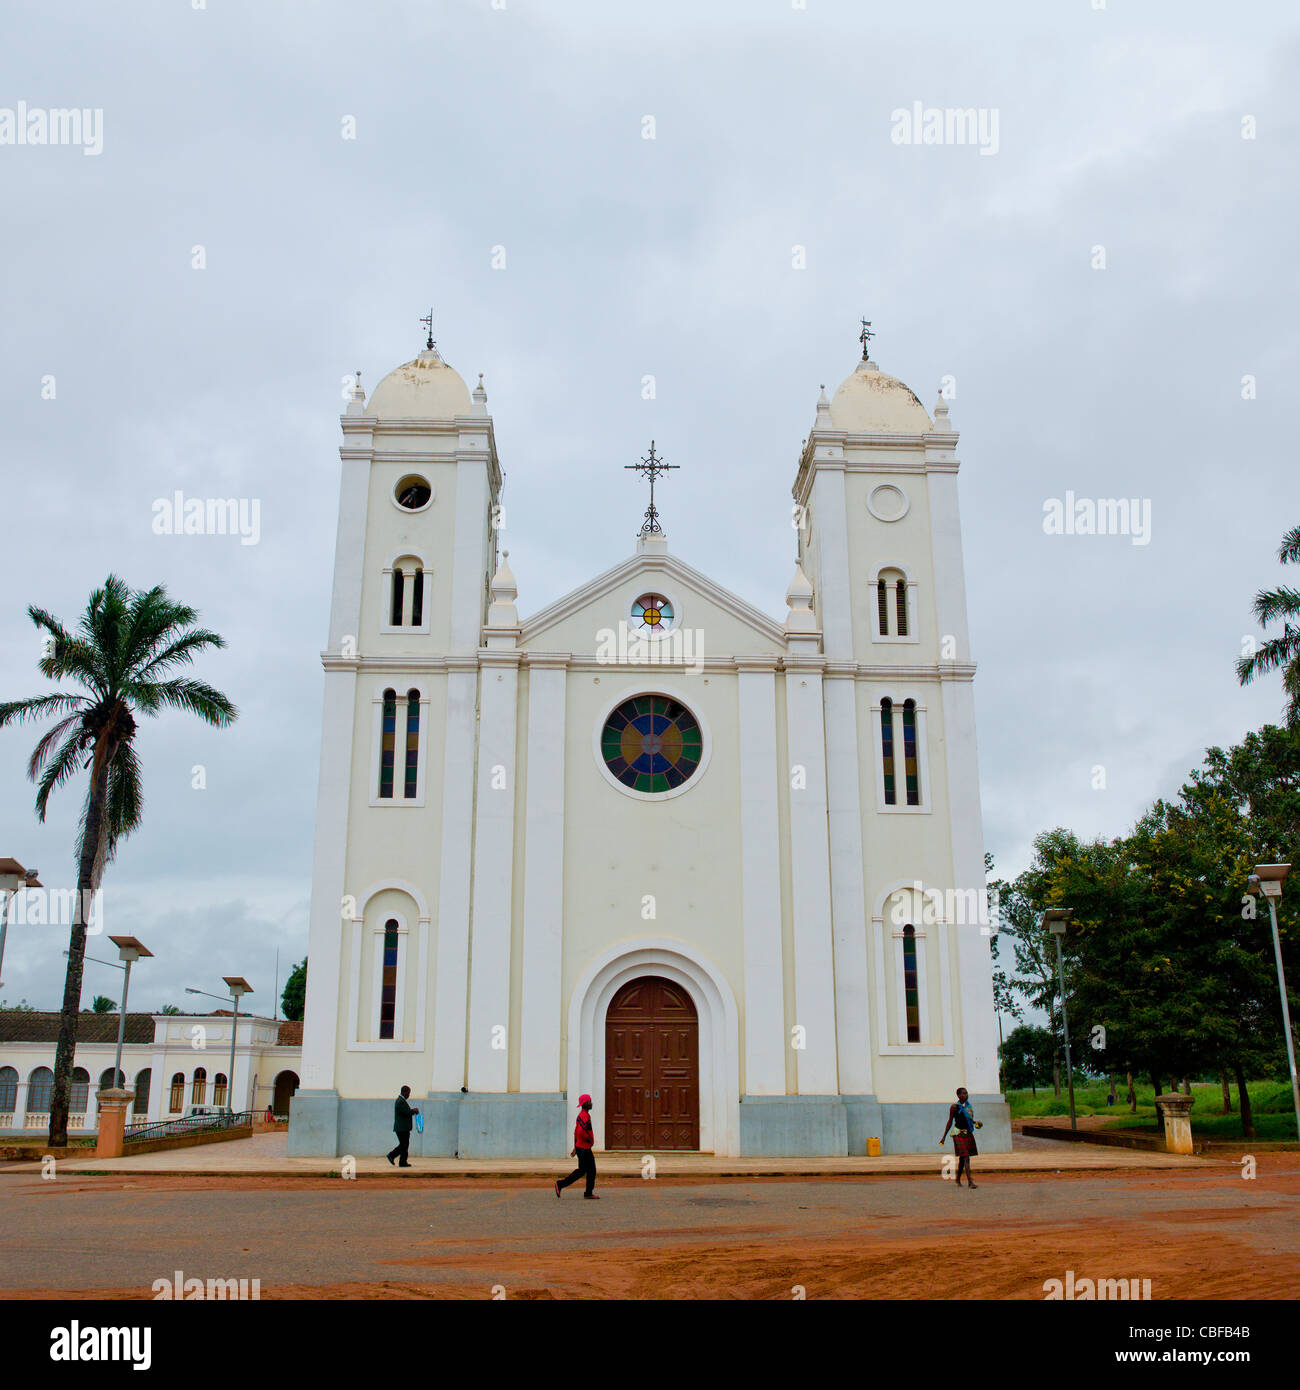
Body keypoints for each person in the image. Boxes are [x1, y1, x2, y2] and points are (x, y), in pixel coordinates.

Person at [555, 1093, 598, 1199]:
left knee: (586, 1170)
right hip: (584, 1149)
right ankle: (560, 1184)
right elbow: (580, 1132)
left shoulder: (583, 1115)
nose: (591, 1103)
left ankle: (587, 1192)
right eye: (589, 1101)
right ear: (585, 1104)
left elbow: (575, 1131)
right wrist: (588, 1139)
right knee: (587, 1170)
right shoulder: (584, 1116)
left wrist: (575, 1147)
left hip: (581, 1148)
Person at [939, 1086, 982, 1189]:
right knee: (966, 1156)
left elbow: (969, 1119)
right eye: (962, 1093)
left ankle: (958, 1179)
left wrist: (976, 1123)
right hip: (958, 1134)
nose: (964, 1095)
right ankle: (970, 1182)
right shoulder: (954, 1107)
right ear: (958, 1095)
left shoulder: (969, 1107)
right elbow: (950, 1122)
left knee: (963, 1158)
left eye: (966, 1093)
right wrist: (944, 1136)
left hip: (967, 1133)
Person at [387, 1085, 419, 1168]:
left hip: (403, 1128)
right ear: (404, 1092)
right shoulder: (400, 1101)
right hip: (401, 1128)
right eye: (408, 1093)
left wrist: (412, 1111)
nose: (409, 1095)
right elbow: (405, 1112)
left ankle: (402, 1161)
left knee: (405, 1144)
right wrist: (413, 1111)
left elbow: (406, 1112)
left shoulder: (401, 1100)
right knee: (404, 1145)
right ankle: (392, 1155)